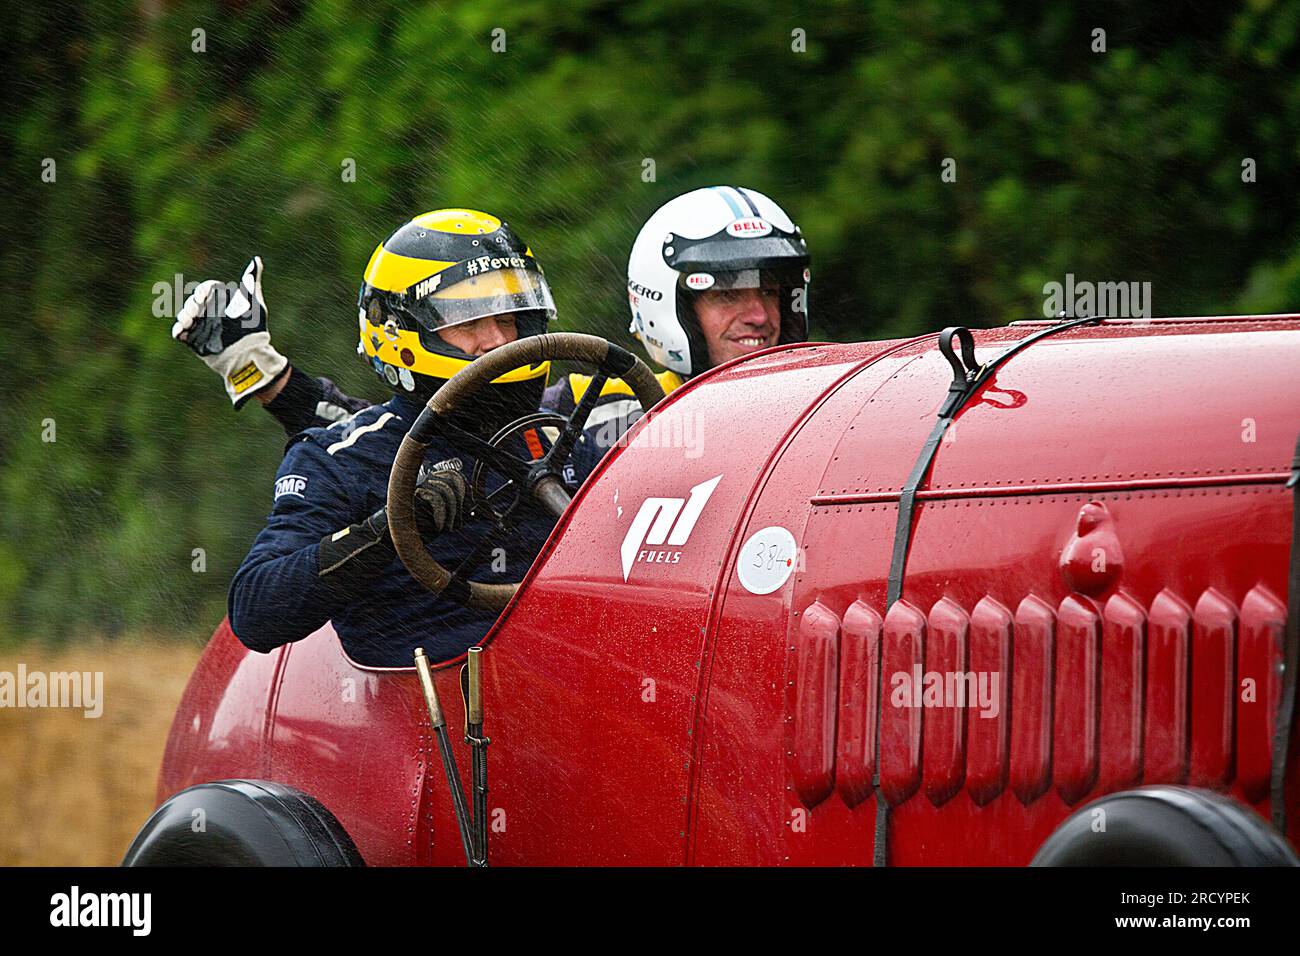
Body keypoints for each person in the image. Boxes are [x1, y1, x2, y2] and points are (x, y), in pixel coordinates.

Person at [194, 209, 575, 667]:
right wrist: (395, 526)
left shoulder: (569, 423)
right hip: (431, 718)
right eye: (469, 322)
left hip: (591, 684)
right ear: (400, 334)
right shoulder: (337, 460)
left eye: (510, 318)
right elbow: (256, 612)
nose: (497, 341)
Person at [174, 186, 812, 448]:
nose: (760, 313)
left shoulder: (837, 401)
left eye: (774, 289)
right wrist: (268, 378)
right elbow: (399, 444)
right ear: (669, 300)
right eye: (726, 293)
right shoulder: (592, 409)